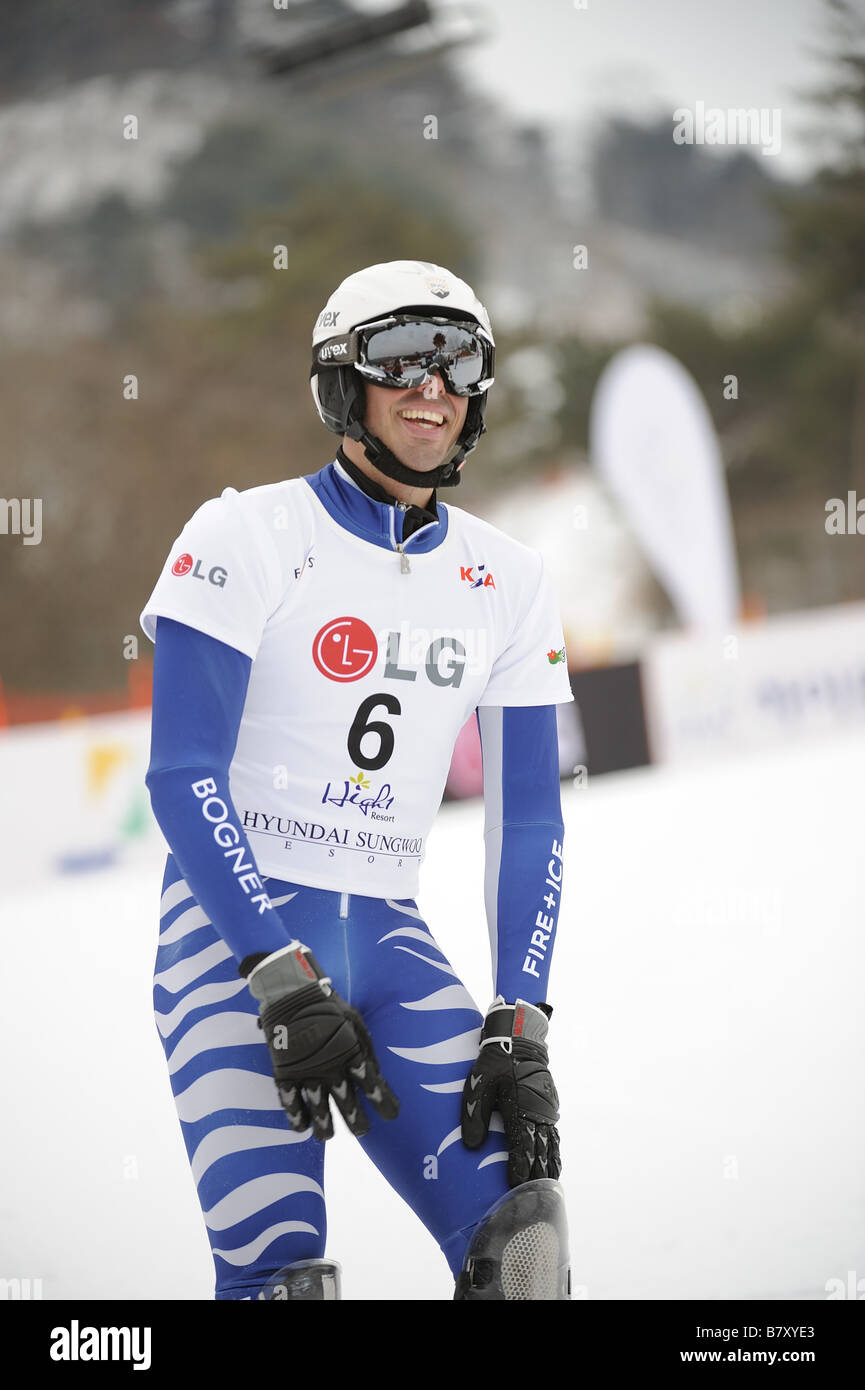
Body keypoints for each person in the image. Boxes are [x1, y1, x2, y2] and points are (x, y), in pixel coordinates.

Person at [140, 259, 574, 1301]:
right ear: (343, 382)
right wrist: (276, 974)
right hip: (229, 949)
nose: (431, 385)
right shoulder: (244, 533)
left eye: (457, 360)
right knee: (281, 1278)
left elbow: (527, 822)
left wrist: (519, 1020)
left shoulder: (509, 580)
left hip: (388, 935)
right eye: (399, 357)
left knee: (524, 1248)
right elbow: (180, 771)